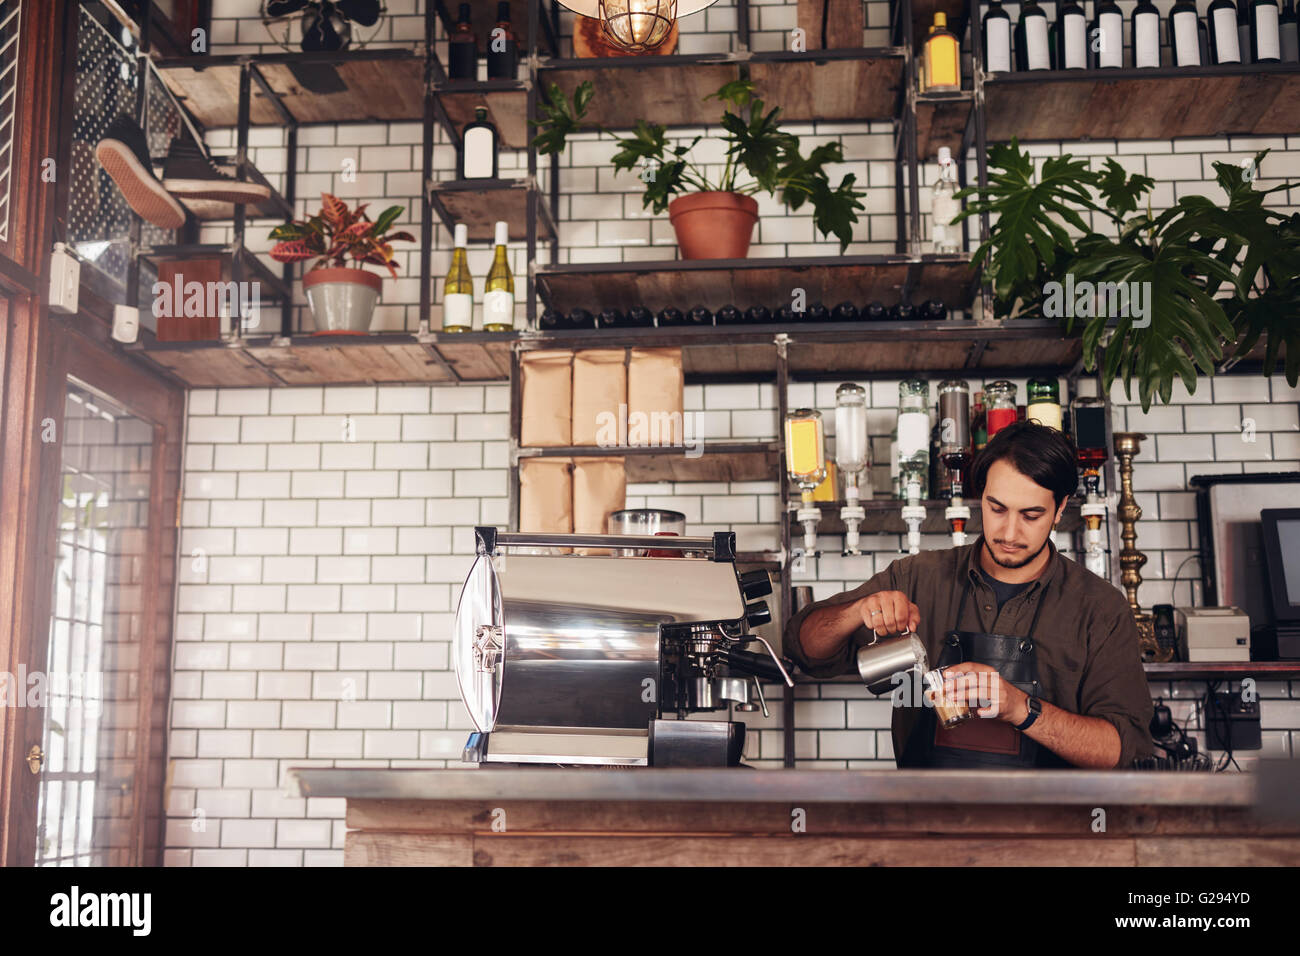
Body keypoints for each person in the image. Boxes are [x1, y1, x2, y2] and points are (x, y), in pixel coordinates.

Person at [783, 420, 1154, 769]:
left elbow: (1124, 750)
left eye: (1031, 515)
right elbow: (803, 649)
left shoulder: (1099, 608)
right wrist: (856, 612)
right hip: (930, 822)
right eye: (996, 509)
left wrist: (1020, 708)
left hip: (1051, 829)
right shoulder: (917, 578)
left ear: (1059, 510)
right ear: (981, 498)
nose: (1009, 532)